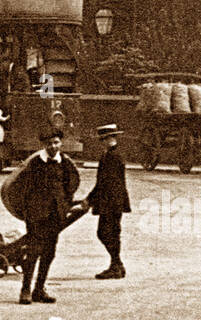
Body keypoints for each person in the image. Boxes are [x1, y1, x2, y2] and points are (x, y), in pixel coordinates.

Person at [12, 128, 81, 305]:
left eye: (56, 142)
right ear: (43, 145)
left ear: (61, 143)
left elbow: (72, 184)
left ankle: (39, 289)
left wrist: (66, 203)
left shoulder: (65, 162)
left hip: (55, 216)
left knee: (49, 252)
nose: (53, 146)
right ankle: (25, 290)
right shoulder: (35, 163)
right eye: (49, 143)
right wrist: (27, 211)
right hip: (36, 216)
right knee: (33, 252)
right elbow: (20, 188)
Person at [85, 123, 131, 279]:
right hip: (113, 201)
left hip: (111, 201)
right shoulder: (113, 154)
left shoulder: (113, 156)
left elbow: (104, 183)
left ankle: (116, 265)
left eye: (103, 139)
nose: (102, 142)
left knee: (105, 233)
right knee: (110, 233)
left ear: (108, 139)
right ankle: (117, 265)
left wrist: (89, 200)